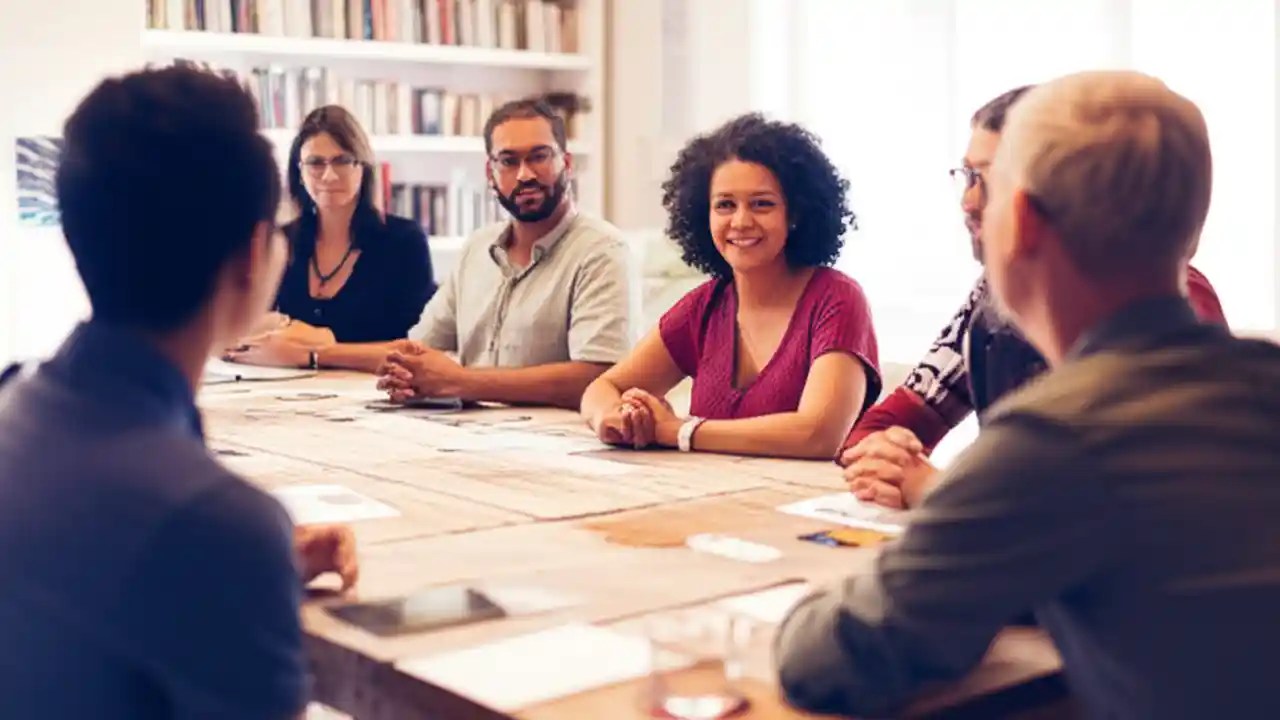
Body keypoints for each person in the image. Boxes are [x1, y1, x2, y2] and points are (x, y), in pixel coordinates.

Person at [775, 70, 1280, 720]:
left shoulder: (1057, 441)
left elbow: (828, 661)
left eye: (983, 183)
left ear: (1019, 221)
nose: (967, 203)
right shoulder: (1262, 380)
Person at [0, 66, 357, 718]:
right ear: (254, 254)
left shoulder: (16, 405)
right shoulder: (218, 525)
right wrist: (236, 558)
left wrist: (245, 568)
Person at [839, 85, 1228, 509]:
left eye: (989, 181)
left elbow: (1138, 497)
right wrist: (891, 457)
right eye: (967, 176)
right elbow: (888, 423)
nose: (970, 201)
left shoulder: (1173, 301)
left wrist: (940, 490)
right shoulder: (991, 300)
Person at [579, 114, 880, 459]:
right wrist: (613, 417)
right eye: (725, 205)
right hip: (710, 499)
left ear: (795, 213)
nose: (740, 221)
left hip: (803, 504)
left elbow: (818, 435)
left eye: (761, 204)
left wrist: (677, 430)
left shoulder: (837, 299)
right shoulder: (704, 306)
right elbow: (603, 387)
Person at [375, 98, 631, 410]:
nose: (525, 174)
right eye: (509, 161)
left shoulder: (602, 251)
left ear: (566, 162)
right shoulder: (476, 249)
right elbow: (418, 347)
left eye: (539, 157)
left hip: (556, 444)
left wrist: (460, 381)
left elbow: (599, 377)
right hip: (465, 435)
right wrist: (406, 374)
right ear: (490, 172)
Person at [223, 105, 434, 370]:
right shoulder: (282, 241)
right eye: (315, 163)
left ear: (363, 167)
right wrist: (281, 328)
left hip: (378, 398)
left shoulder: (403, 242)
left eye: (342, 160)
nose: (329, 175)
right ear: (298, 172)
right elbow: (240, 333)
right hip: (285, 398)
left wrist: (315, 353)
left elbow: (415, 349)